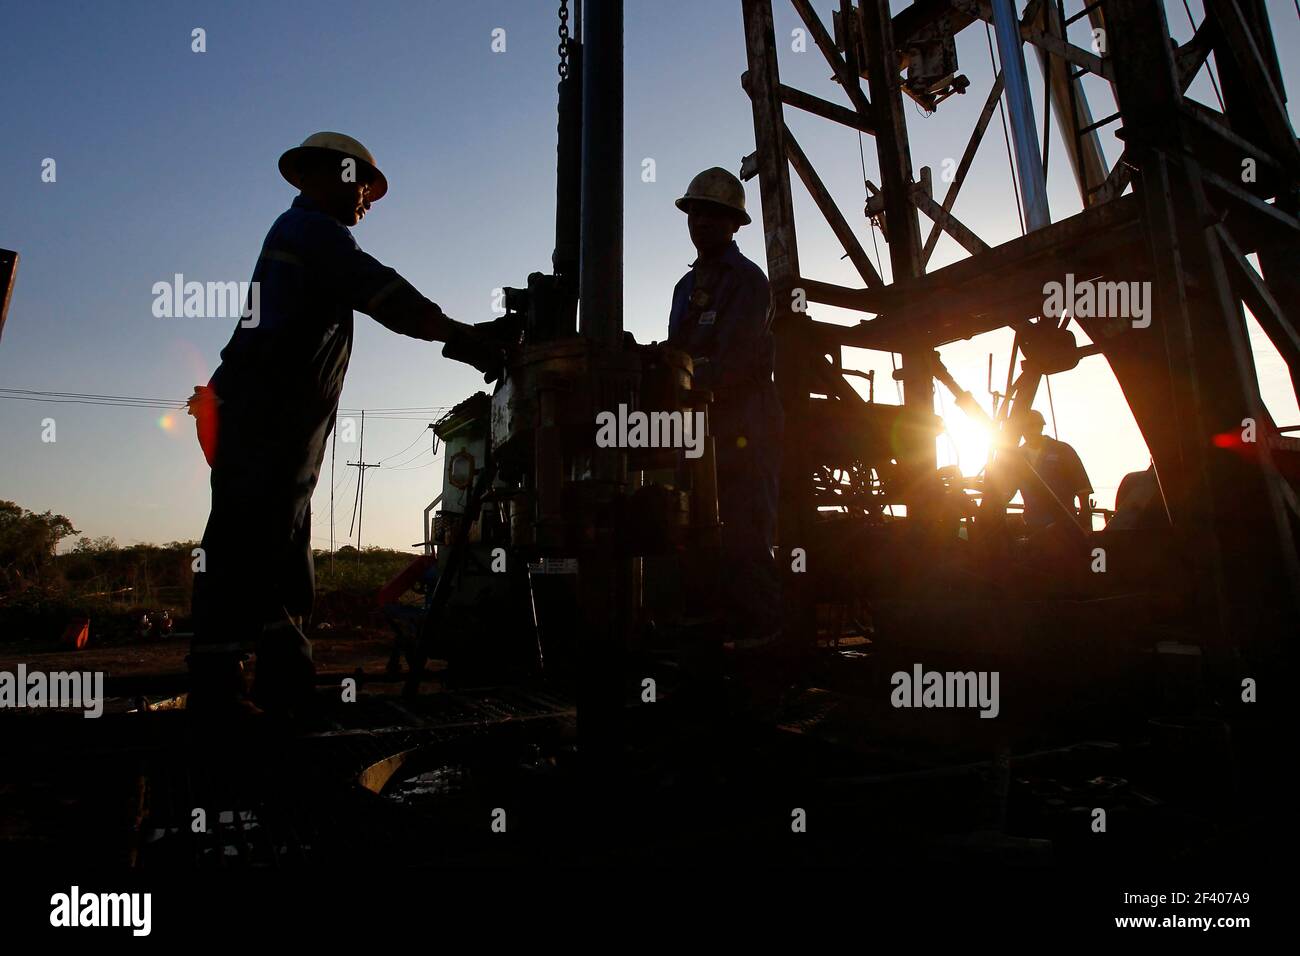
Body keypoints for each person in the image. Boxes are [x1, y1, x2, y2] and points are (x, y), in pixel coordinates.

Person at [186, 132, 507, 718]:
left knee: (281, 549)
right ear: (328, 176)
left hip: (280, 422)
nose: (368, 199)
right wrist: (463, 338)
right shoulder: (312, 233)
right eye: (362, 185)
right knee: (245, 543)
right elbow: (384, 294)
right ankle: (219, 694)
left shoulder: (305, 235)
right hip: (263, 414)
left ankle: (282, 687)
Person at [667, 167, 783, 650]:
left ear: (734, 223)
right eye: (696, 211)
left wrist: (681, 378)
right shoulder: (683, 288)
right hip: (697, 429)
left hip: (743, 424)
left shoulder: (749, 282)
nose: (702, 222)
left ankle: (766, 638)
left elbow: (733, 362)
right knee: (695, 526)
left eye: (714, 214)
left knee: (743, 527)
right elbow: (678, 358)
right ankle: (716, 631)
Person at [1013, 409, 1093, 530]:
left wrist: (1085, 519)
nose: (1030, 430)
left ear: (1041, 427)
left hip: (1063, 524)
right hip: (1032, 524)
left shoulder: (1062, 450)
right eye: (1026, 427)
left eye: (1034, 425)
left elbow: (1082, 487)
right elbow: (1006, 489)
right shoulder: (1017, 456)